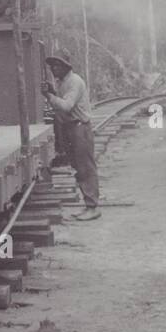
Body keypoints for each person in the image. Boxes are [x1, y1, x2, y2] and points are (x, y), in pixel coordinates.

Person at [43, 51, 99, 220]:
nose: (54, 68)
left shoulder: (74, 82)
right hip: (71, 129)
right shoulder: (62, 82)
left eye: (58, 65)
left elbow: (67, 106)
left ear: (66, 67)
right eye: (52, 65)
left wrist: (49, 96)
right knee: (79, 168)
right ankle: (89, 205)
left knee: (86, 168)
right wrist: (53, 92)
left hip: (80, 128)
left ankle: (93, 207)